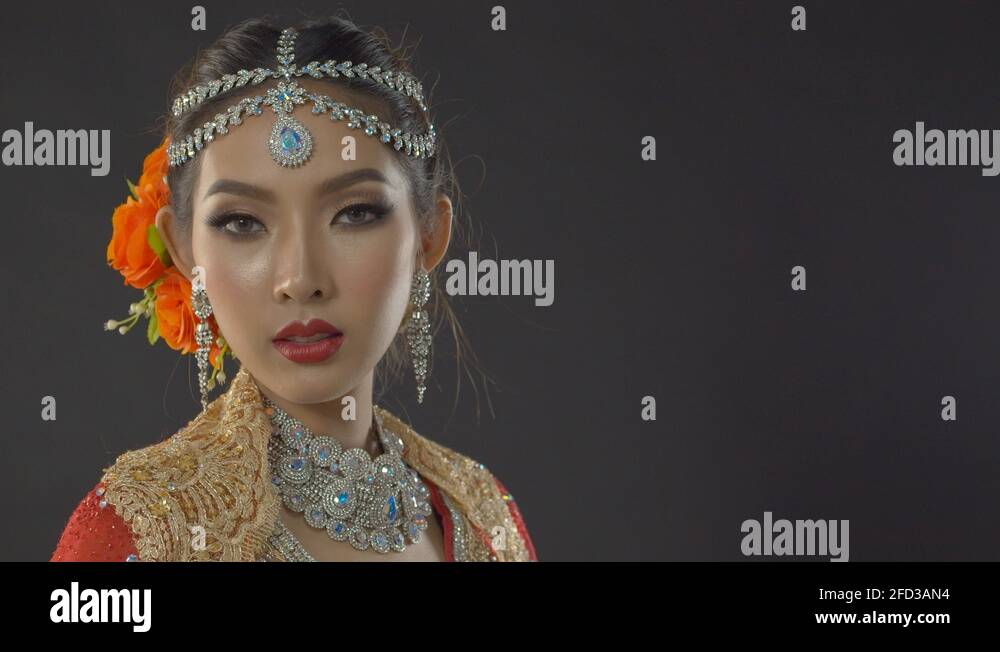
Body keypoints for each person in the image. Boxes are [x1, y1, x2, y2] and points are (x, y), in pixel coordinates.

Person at [50, 15, 537, 562]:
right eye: (241, 223)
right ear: (185, 252)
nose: (300, 280)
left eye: (355, 213)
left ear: (429, 236)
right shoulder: (138, 533)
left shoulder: (486, 518)